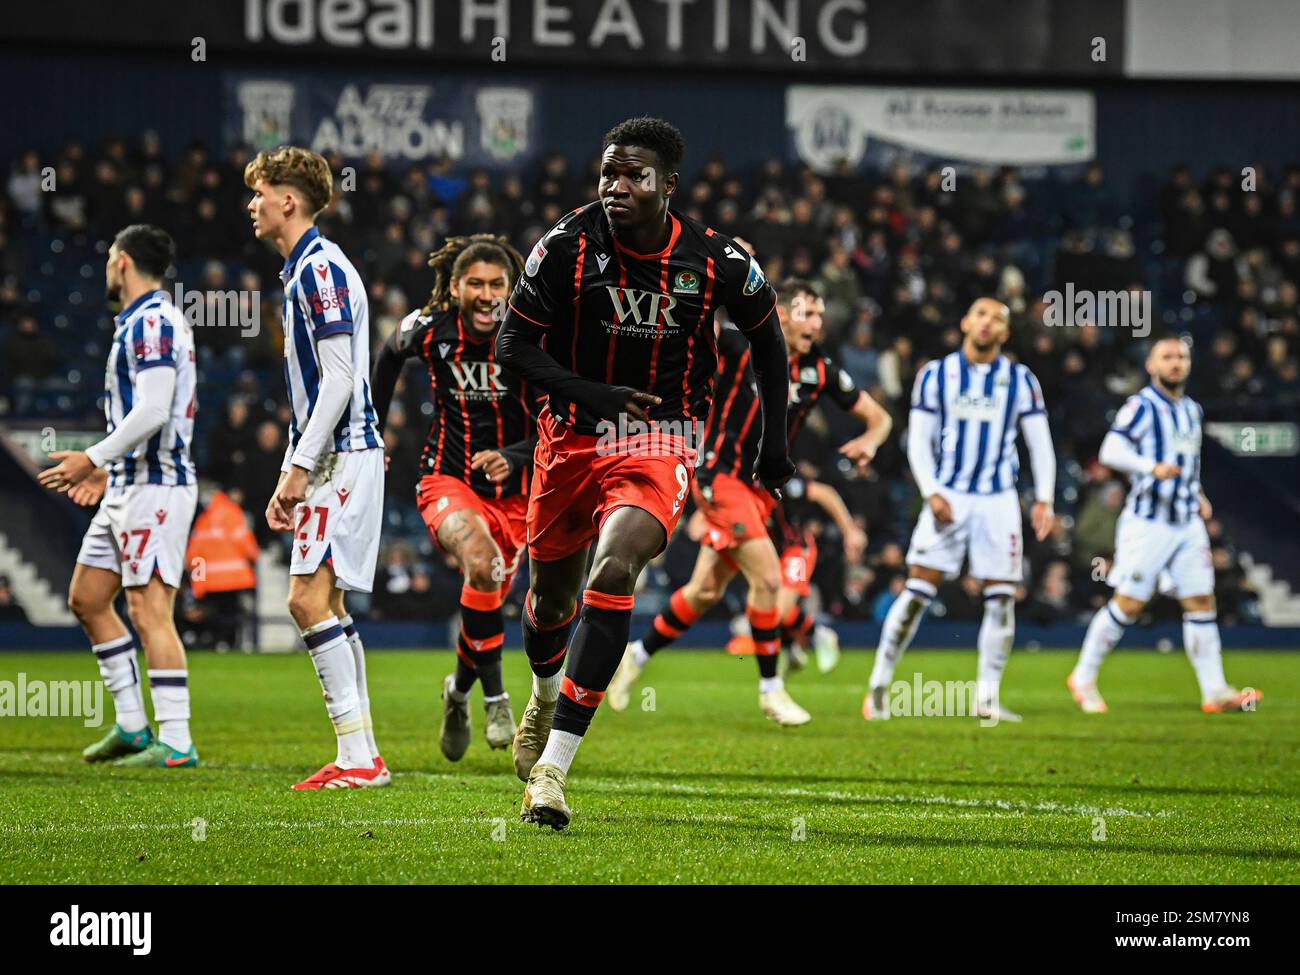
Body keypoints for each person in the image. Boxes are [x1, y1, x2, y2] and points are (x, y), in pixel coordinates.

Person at [495, 116, 794, 829]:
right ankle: (542, 693)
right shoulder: (566, 245)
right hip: (567, 440)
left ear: (669, 185)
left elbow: (769, 340)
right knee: (547, 608)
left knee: (614, 568)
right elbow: (510, 346)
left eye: (634, 176)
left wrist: (773, 444)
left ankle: (553, 772)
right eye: (608, 174)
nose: (617, 187)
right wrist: (589, 393)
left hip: (659, 438)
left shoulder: (716, 260)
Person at [608, 280, 890, 724]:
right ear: (780, 315)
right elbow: (697, 321)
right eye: (806, 313)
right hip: (721, 477)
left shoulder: (820, 371)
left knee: (704, 591)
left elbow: (879, 417)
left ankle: (636, 655)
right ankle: (770, 690)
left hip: (760, 492)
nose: (816, 323)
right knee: (769, 579)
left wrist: (871, 440)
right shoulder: (742, 346)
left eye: (819, 315)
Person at [245, 146, 388, 789]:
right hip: (339, 454)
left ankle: (357, 757)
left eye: (260, 191)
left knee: (304, 601)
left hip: (343, 456)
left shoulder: (320, 271)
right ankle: (365, 753)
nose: (252, 204)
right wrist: (290, 466)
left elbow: (338, 381)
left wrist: (300, 467)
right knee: (326, 600)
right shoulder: (305, 268)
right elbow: (318, 389)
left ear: (289, 200)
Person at [371, 233, 541, 762]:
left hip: (518, 493)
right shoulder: (430, 328)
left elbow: (563, 422)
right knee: (482, 565)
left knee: (486, 587)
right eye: (475, 283)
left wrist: (514, 455)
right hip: (447, 477)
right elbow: (387, 352)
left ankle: (458, 692)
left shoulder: (537, 336)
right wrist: (374, 431)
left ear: (512, 288)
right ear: (454, 287)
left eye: (497, 284)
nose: (487, 294)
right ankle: (496, 698)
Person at [39, 224, 201, 767]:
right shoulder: (141, 321)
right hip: (130, 484)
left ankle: (176, 742)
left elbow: (155, 410)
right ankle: (133, 727)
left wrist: (93, 458)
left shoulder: (152, 321)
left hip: (157, 487)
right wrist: (111, 472)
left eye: (110, 257)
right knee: (87, 598)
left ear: (124, 262)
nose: (108, 267)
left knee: (149, 609)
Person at [863, 297, 1056, 723]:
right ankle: (878, 684)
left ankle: (986, 697)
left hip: (999, 499)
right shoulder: (936, 374)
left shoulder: (1021, 380)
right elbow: (919, 439)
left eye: (998, 319)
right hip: (950, 494)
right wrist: (931, 491)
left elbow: (1039, 441)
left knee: (1002, 598)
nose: (988, 324)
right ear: (966, 321)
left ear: (1005, 333)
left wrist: (1045, 497)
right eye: (981, 314)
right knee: (916, 593)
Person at [1067, 336, 1259, 715]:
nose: (1175, 363)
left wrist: (1198, 493)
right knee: (1129, 604)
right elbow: (1111, 450)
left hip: (1186, 522)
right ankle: (1083, 676)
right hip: (1149, 522)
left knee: (1202, 601)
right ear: (1152, 366)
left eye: (1182, 356)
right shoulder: (1140, 406)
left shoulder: (1191, 410)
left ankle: (1215, 690)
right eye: (1167, 357)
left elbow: (1188, 462)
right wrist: (1149, 467)